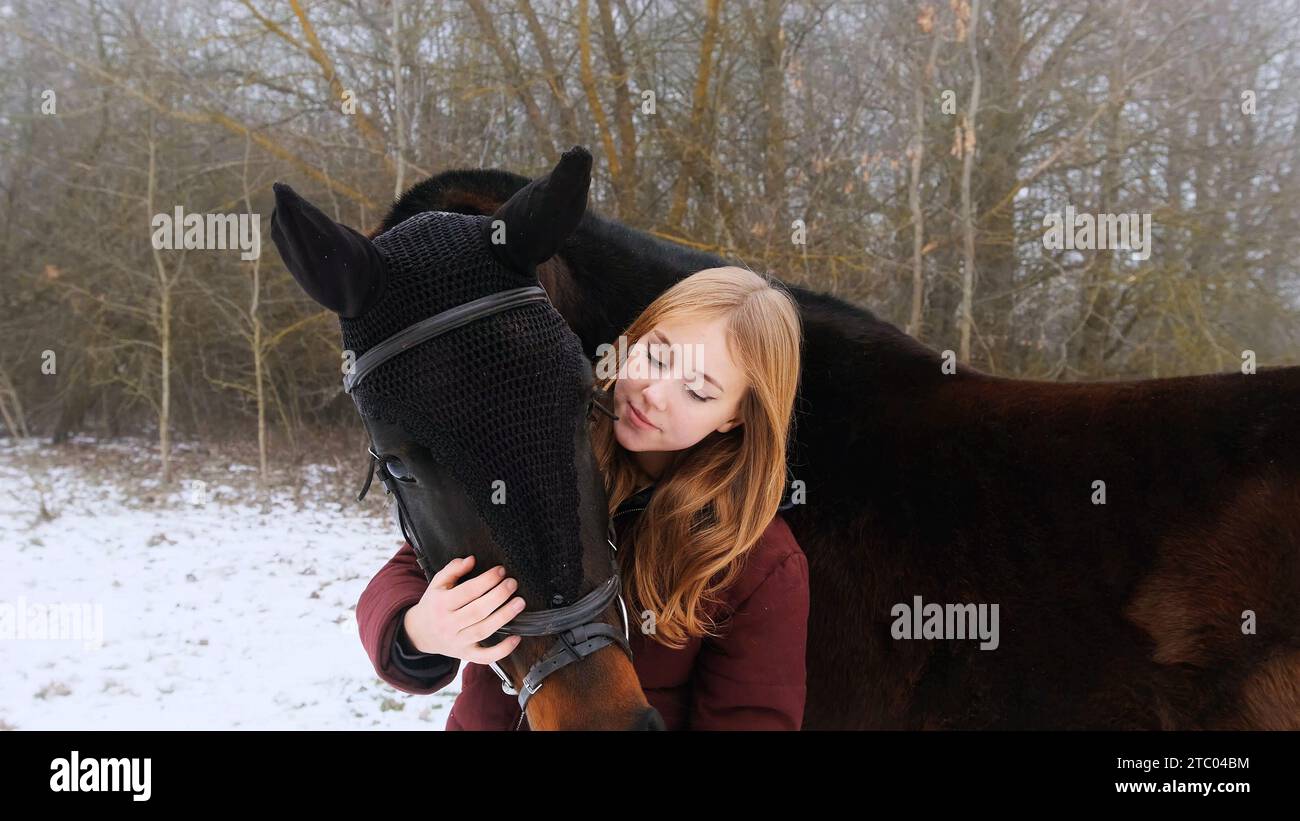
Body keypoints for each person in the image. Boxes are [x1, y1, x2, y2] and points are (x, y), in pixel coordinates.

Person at [355, 265, 807, 729]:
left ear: (737, 418)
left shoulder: (756, 560)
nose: (654, 394)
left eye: (695, 391)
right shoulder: (535, 452)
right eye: (655, 357)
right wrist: (416, 629)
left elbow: (752, 719)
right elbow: (412, 566)